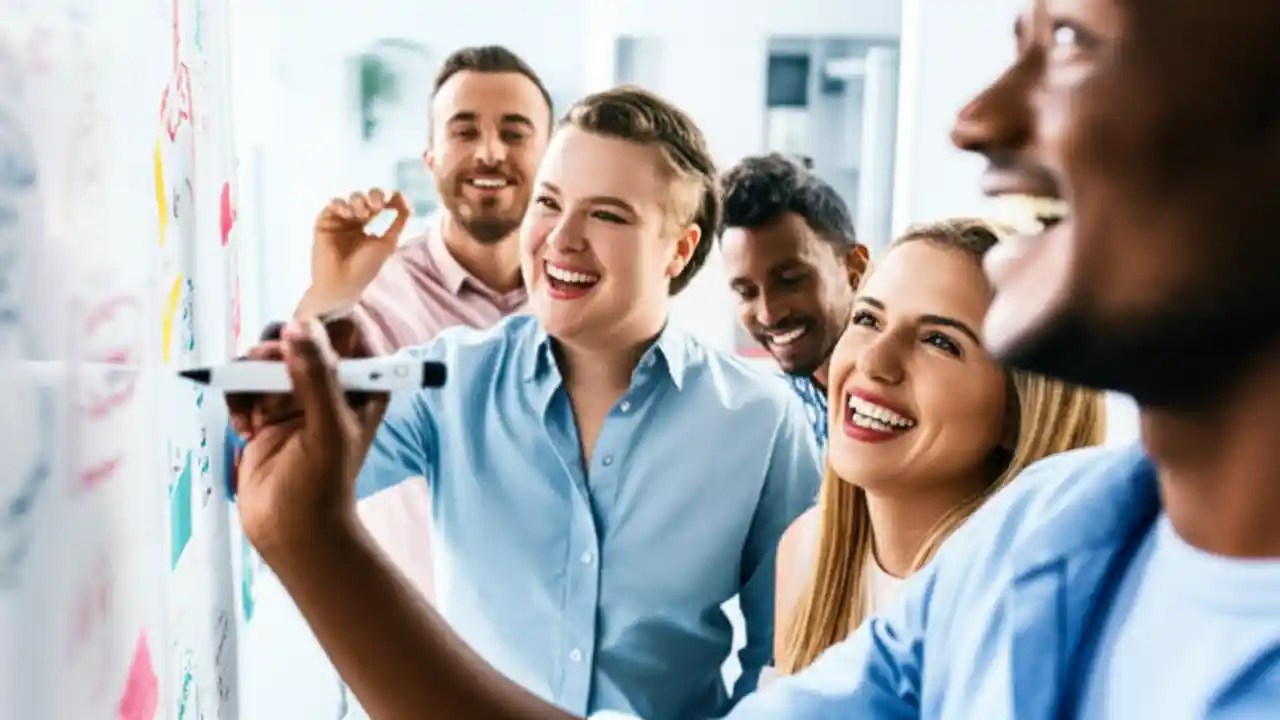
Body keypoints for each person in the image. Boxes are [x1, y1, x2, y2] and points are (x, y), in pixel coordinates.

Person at [230, 0, 1280, 717]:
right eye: (867, 319)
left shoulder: (761, 425)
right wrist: (309, 534)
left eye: (1069, 43)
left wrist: (312, 544)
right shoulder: (1040, 545)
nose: (978, 118)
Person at [231, 86, 821, 720]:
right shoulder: (449, 378)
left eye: (608, 215)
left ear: (678, 249)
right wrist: (325, 306)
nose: (560, 238)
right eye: (548, 202)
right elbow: (263, 464)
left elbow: (786, 660)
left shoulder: (761, 420)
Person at [772, 218, 1104, 676]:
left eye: (939, 342)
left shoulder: (1037, 608)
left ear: (1018, 414)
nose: (873, 362)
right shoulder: (805, 552)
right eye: (867, 319)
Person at [295, 45, 553, 601]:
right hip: (407, 652)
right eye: (464, 132)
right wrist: (330, 294)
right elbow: (289, 438)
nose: (489, 152)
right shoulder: (373, 290)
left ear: (549, 157)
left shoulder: (585, 292)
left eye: (515, 132)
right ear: (431, 156)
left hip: (555, 661)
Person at [719, 154, 869, 449]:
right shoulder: (775, 415)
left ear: (854, 267)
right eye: (746, 292)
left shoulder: (906, 391)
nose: (769, 314)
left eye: (791, 280)